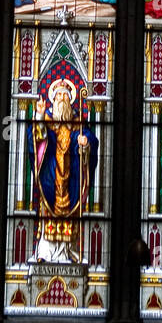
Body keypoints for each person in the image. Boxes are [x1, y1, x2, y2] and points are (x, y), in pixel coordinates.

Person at [30, 80, 98, 263]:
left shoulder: (77, 123)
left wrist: (85, 143)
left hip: (72, 175)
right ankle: (45, 251)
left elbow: (91, 139)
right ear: (53, 98)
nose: (62, 98)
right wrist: (39, 116)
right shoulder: (47, 119)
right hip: (50, 174)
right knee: (49, 211)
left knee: (71, 212)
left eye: (65, 95)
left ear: (70, 99)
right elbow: (37, 139)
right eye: (58, 95)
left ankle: (68, 250)